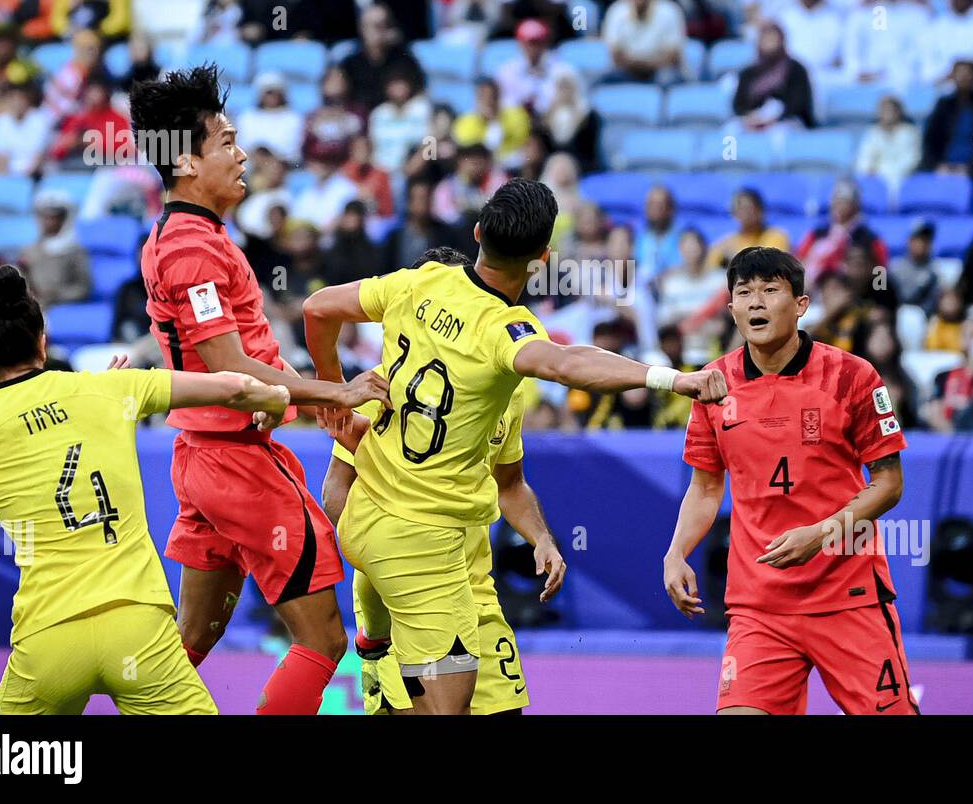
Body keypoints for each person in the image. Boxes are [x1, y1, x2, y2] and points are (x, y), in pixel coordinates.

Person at [302, 178, 728, 714]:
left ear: (478, 232)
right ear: (544, 257)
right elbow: (570, 364)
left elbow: (318, 307)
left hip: (449, 553)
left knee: (493, 707)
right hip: (419, 544)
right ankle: (378, 651)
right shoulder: (507, 333)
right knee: (445, 709)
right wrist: (670, 379)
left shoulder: (422, 281)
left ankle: (383, 653)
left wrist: (332, 389)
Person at [128, 64, 391, 715]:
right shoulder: (191, 249)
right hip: (237, 465)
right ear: (186, 161)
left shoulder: (184, 235)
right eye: (226, 142)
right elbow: (232, 374)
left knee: (188, 644)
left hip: (205, 456)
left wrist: (312, 405)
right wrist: (337, 395)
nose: (242, 153)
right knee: (325, 639)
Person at [0, 264, 293, 714]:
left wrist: (90, 401)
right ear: (42, 342)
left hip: (49, 637)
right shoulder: (113, 391)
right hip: (138, 628)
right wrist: (275, 400)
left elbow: (25, 474)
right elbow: (235, 387)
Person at [665, 247, 915, 715]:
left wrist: (820, 536)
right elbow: (705, 488)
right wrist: (676, 552)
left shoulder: (853, 376)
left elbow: (889, 484)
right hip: (759, 605)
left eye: (770, 290)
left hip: (849, 596)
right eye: (745, 292)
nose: (756, 302)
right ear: (731, 307)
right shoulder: (712, 385)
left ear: (800, 305)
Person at [319, 246, 566, 715]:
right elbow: (337, 490)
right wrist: (387, 567)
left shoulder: (501, 388)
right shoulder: (384, 387)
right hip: (407, 599)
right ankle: (374, 645)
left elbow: (509, 485)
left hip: (476, 590)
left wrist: (542, 539)